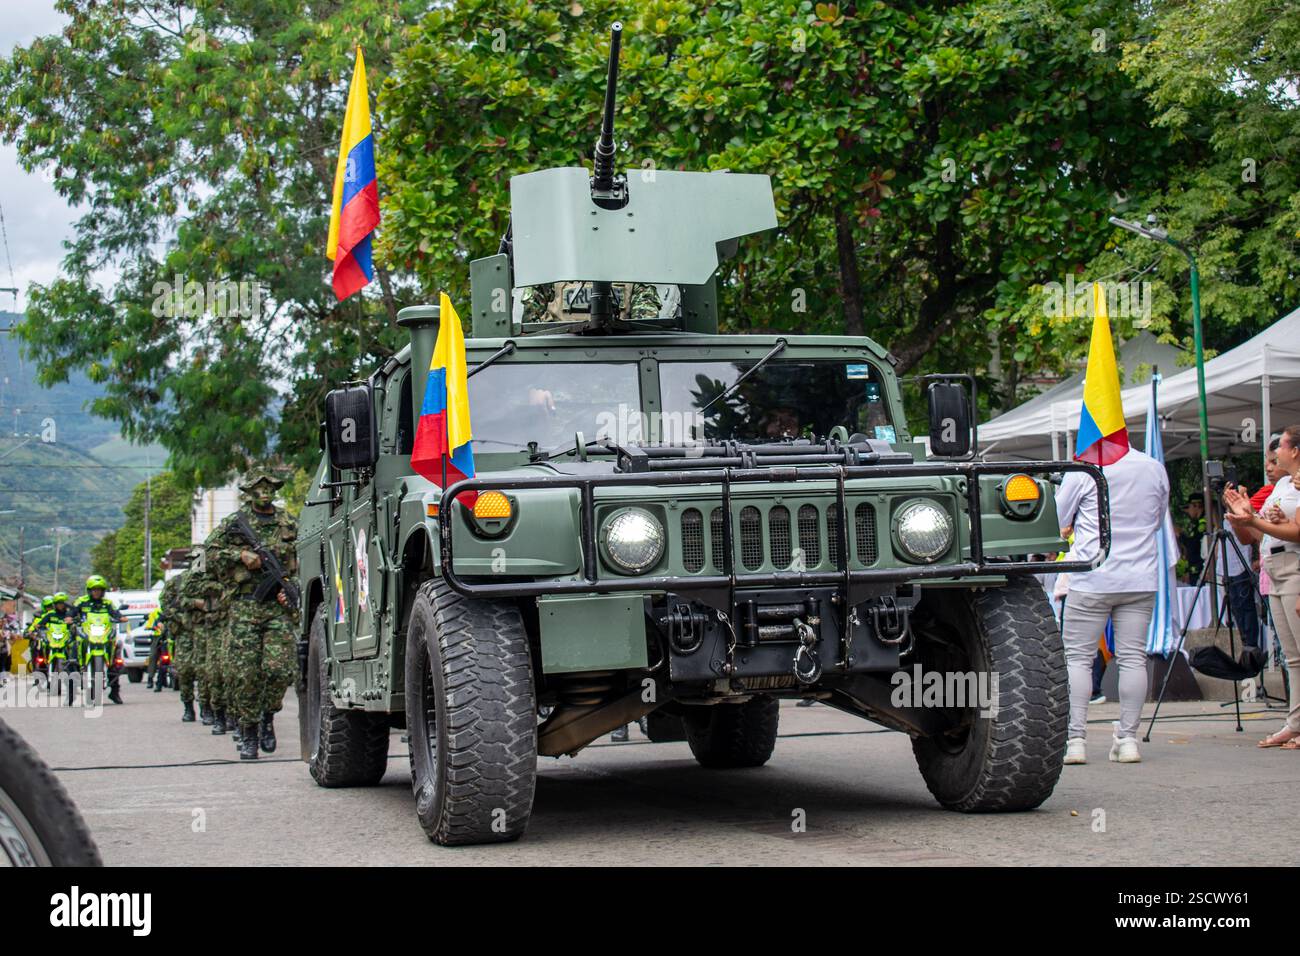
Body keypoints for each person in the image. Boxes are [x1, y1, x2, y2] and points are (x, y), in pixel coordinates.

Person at [1056, 445, 1174, 765]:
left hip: (1093, 576)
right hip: (1139, 576)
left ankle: (1076, 740)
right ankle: (1128, 739)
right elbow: (1157, 520)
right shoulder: (1152, 467)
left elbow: (1058, 519)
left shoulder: (1083, 469)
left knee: (1078, 659)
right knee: (1133, 658)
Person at [206, 471, 298, 760]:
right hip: (244, 606)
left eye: (269, 487)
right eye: (258, 487)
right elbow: (208, 554)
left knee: (279, 670)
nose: (264, 491)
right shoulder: (235, 524)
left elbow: (307, 555)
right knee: (245, 674)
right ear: (249, 492)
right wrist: (240, 557)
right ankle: (249, 732)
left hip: (276, 608)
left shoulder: (288, 522)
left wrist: (292, 588)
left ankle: (268, 714)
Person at [1224, 424, 1300, 749]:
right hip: (1275, 566)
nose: (1274, 455)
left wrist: (1253, 520)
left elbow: (1296, 531)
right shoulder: (1283, 484)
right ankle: (1294, 722)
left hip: (1295, 567)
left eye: (1279, 448)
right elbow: (1265, 533)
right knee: (1293, 658)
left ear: (1294, 450)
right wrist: (1247, 517)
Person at [73, 575, 125, 705]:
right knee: (72, 652)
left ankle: (115, 692)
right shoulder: (81, 601)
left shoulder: (107, 603)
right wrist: (69, 617)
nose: (97, 592)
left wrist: (121, 617)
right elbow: (73, 611)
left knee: (115, 659)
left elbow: (115, 613)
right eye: (94, 589)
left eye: (99, 590)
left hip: (104, 634)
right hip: (87, 633)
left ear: (103, 591)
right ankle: (72, 685)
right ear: (89, 590)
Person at [1179, 495, 1207, 582]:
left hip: (1201, 570)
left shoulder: (1203, 524)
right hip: (1195, 570)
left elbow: (1193, 546)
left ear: (1197, 505)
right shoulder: (1196, 524)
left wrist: (1180, 534)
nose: (1187, 511)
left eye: (1188, 507)